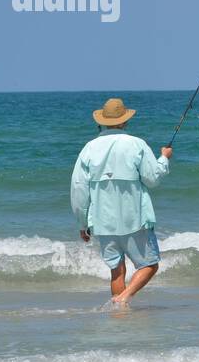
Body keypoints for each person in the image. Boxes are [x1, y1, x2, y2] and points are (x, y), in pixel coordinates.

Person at [70, 97, 172, 305]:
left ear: (102, 121)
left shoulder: (89, 148)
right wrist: (164, 158)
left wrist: (82, 223)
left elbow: (79, 189)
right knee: (150, 265)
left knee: (117, 270)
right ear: (125, 121)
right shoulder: (136, 144)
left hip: (102, 222)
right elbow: (152, 179)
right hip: (135, 218)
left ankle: (119, 312)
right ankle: (123, 299)